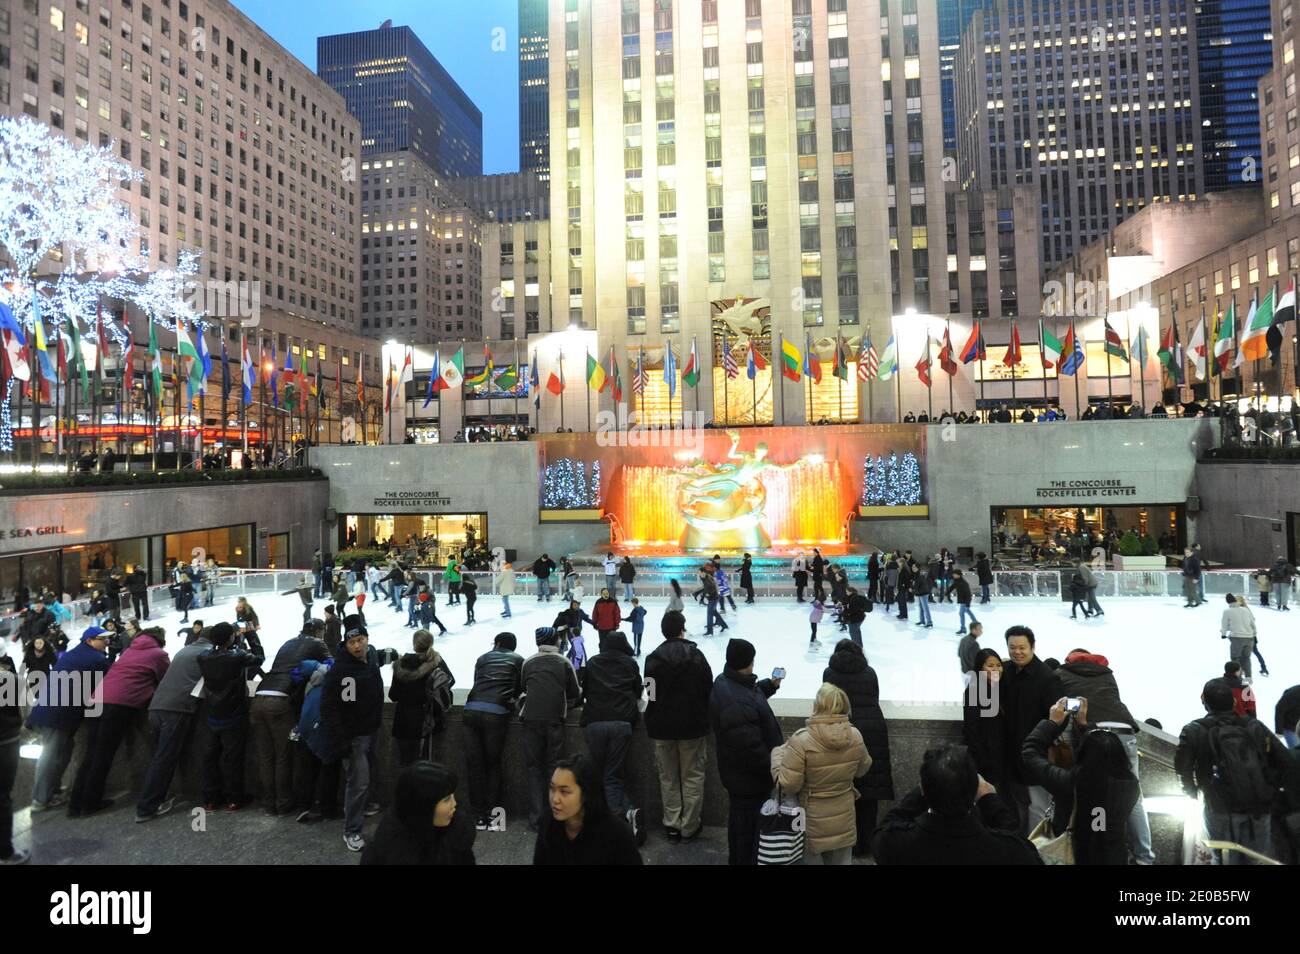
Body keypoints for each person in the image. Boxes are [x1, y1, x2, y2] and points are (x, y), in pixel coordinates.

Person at [1055, 648, 1156, 864]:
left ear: (1068, 660)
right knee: (1134, 795)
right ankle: (1144, 857)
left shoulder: (1062, 673)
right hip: (1124, 731)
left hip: (1095, 734)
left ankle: (1094, 849)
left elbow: (1063, 708)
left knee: (1093, 793)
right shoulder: (1106, 673)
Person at [1175, 679, 1290, 864]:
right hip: (1258, 807)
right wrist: (1270, 789)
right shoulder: (1254, 726)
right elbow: (1284, 761)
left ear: (1204, 701)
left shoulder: (1194, 730)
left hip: (1218, 807)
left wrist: (1195, 793)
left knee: (1223, 859)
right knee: (1257, 859)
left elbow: (1183, 770)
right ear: (1234, 701)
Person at [872, 745, 1041, 865]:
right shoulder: (1006, 851)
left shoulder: (894, 845)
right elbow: (1017, 843)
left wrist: (926, 787)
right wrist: (989, 799)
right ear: (975, 790)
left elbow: (887, 825)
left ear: (924, 788)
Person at [1021, 697, 1141, 864]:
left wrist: (1052, 723)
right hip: (1113, 858)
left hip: (1073, 855)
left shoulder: (1070, 783)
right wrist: (1084, 725)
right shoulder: (1130, 787)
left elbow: (1030, 753)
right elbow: (1100, 752)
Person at [69, 626, 171, 818]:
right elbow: (166, 680)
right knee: (103, 755)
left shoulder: (128, 651)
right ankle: (91, 803)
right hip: (118, 706)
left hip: (96, 702)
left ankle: (75, 805)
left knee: (91, 754)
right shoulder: (158, 654)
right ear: (160, 639)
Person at [319, 615, 397, 852]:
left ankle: (368, 804)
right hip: (353, 736)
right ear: (346, 644)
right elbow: (333, 708)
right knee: (358, 783)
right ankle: (351, 830)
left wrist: (397, 655)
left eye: (360, 640)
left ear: (366, 639)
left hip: (371, 728)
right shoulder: (343, 671)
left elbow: (380, 656)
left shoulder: (370, 654)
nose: (357, 646)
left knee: (368, 775)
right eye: (352, 643)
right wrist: (342, 739)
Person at [769, 683, 869, 865]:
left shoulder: (802, 740)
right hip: (844, 815)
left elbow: (789, 784)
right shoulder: (855, 736)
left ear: (818, 705)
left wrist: (776, 757)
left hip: (812, 819)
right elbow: (863, 769)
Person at [709, 638, 783, 865]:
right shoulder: (736, 704)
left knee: (744, 829)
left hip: (741, 777)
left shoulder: (726, 681)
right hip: (749, 780)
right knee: (747, 833)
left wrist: (770, 684)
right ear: (748, 662)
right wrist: (774, 768)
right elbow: (750, 748)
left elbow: (749, 694)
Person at [643, 610, 713, 843]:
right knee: (692, 777)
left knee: (668, 778)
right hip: (692, 728)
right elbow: (708, 690)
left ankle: (672, 825)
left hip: (662, 728)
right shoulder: (697, 657)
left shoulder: (652, 660)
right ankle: (689, 826)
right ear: (682, 629)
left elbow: (650, 695)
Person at [26, 626, 113, 812]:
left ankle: (52, 791)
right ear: (89, 641)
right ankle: (40, 799)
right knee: (51, 755)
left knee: (63, 751)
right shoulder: (95, 658)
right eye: (102, 639)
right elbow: (113, 678)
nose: (106, 642)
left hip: (50, 710)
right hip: (57, 714)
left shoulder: (74, 654)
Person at [251, 618, 331, 816]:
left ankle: (269, 802)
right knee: (282, 755)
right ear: (320, 631)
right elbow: (333, 666)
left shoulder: (288, 643)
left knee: (265, 755)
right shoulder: (318, 644)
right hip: (280, 701)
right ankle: (284, 803)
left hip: (259, 697)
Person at [823, 640, 894, 857]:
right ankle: (866, 844)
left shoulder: (829, 673)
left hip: (842, 728)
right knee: (869, 792)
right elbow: (874, 697)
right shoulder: (869, 672)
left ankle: (848, 846)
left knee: (844, 792)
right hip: (871, 730)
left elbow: (827, 701)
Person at [580, 630, 646, 844]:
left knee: (600, 776)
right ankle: (624, 815)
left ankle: (613, 821)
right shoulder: (629, 663)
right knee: (611, 776)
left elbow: (585, 691)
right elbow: (638, 692)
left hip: (595, 722)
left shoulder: (593, 662)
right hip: (621, 723)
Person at [1001, 625, 1064, 835]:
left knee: (1038, 807)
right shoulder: (1005, 671)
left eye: (1022, 647)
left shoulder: (1047, 678)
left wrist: (1041, 742)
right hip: (1009, 754)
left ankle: (1035, 851)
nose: (1017, 652)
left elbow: (1059, 719)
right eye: (1012, 647)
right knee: (1015, 804)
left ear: (1033, 646)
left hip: (1036, 755)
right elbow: (985, 703)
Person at [197, 621, 265, 812]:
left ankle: (210, 799)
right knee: (232, 759)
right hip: (233, 715)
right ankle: (234, 799)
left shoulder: (203, 657)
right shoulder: (237, 656)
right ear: (231, 637)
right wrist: (251, 635)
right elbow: (259, 658)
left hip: (212, 715)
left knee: (210, 759)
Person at [520, 628, 582, 830]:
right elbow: (575, 691)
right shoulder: (563, 662)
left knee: (533, 768)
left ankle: (536, 818)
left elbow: (523, 687)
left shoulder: (528, 662)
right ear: (555, 641)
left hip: (530, 719)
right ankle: (553, 815)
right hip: (555, 719)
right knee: (554, 768)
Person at [533, 755, 643, 865]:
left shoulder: (616, 833)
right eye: (552, 788)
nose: (555, 799)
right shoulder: (547, 823)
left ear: (585, 794)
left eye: (564, 792)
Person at [361, 761, 476, 865]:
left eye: (453, 796)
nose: (454, 803)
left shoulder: (456, 831)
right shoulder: (391, 848)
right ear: (424, 805)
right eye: (446, 800)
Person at [463, 632, 524, 829]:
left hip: (471, 710)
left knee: (474, 765)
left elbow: (476, 682)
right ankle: (494, 815)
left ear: (497, 643)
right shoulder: (518, 660)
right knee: (493, 764)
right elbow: (517, 688)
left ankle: (478, 815)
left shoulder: (482, 658)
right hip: (497, 712)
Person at [389, 629, 455, 766]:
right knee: (425, 766)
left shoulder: (401, 663)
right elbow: (450, 680)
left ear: (414, 644)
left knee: (406, 762)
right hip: (427, 721)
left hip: (403, 721)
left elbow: (393, 695)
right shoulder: (436, 662)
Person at [1220, 593, 1258, 679]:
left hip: (1237, 638)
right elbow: (1252, 623)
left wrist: (1223, 634)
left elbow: (1224, 624)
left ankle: (1238, 678)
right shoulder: (1246, 610)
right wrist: (1254, 634)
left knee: (1235, 658)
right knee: (1246, 658)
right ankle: (1248, 677)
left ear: (1228, 602)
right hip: (1249, 638)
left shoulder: (1227, 611)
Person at [700, 569, 727, 636]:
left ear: (703, 572)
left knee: (709, 614)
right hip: (713, 598)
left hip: (713, 598)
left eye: (700, 572)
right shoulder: (704, 577)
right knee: (714, 612)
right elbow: (706, 587)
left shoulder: (708, 579)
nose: (699, 574)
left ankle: (710, 631)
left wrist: (708, 594)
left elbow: (712, 587)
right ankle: (724, 625)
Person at [952, 569, 978, 635]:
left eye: (954, 574)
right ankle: (976, 624)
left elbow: (968, 594)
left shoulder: (963, 583)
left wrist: (968, 603)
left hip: (965, 601)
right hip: (963, 601)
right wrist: (947, 592)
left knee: (961, 613)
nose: (953, 575)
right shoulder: (957, 581)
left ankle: (963, 629)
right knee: (967, 612)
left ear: (958, 575)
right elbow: (953, 586)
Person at [912, 561, 933, 628]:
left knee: (925, 608)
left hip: (923, 593)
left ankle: (929, 622)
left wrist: (913, 590)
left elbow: (917, 585)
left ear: (917, 568)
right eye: (912, 567)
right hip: (921, 593)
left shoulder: (919, 574)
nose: (913, 568)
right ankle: (922, 621)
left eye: (914, 567)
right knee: (921, 607)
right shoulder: (917, 574)